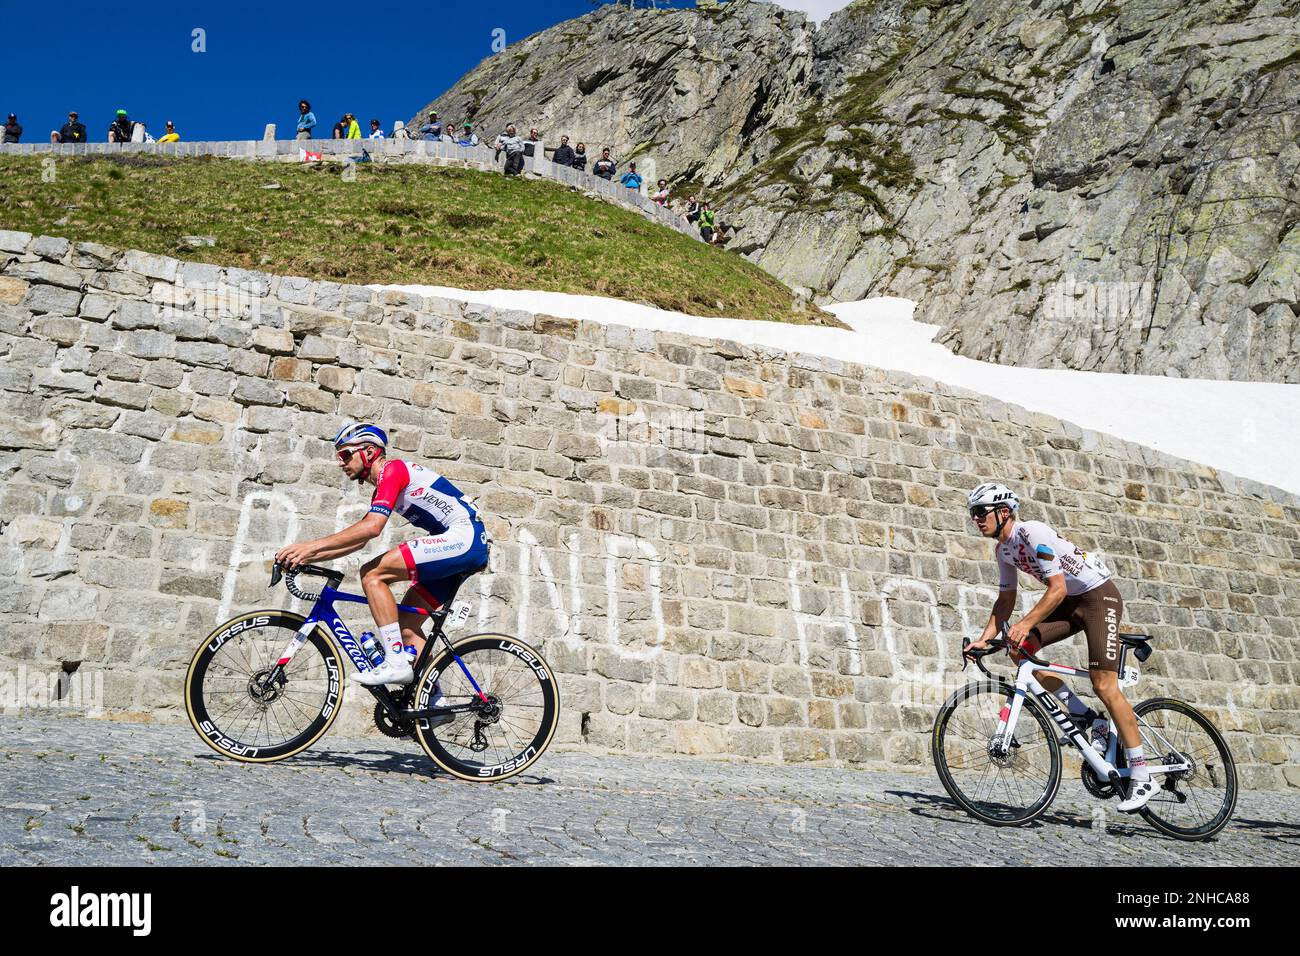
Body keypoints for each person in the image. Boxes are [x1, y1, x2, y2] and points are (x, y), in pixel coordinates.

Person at [961, 483, 1159, 813]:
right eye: (973, 514)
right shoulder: (1003, 551)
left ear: (1004, 512)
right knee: (1018, 650)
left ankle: (1141, 775)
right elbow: (1005, 599)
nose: (976, 519)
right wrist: (984, 638)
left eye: (981, 512)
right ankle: (1086, 719)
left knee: (1104, 685)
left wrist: (1024, 623)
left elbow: (1056, 588)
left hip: (1098, 598)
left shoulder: (1032, 533)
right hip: (1069, 603)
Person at [274, 422, 491, 689]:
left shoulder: (393, 470)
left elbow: (372, 527)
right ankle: (434, 700)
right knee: (407, 626)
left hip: (464, 537)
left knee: (372, 574)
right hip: (462, 545)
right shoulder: (383, 487)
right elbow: (360, 540)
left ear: (368, 451)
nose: (341, 463)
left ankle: (396, 662)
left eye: (345, 454)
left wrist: (309, 547)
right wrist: (308, 557)